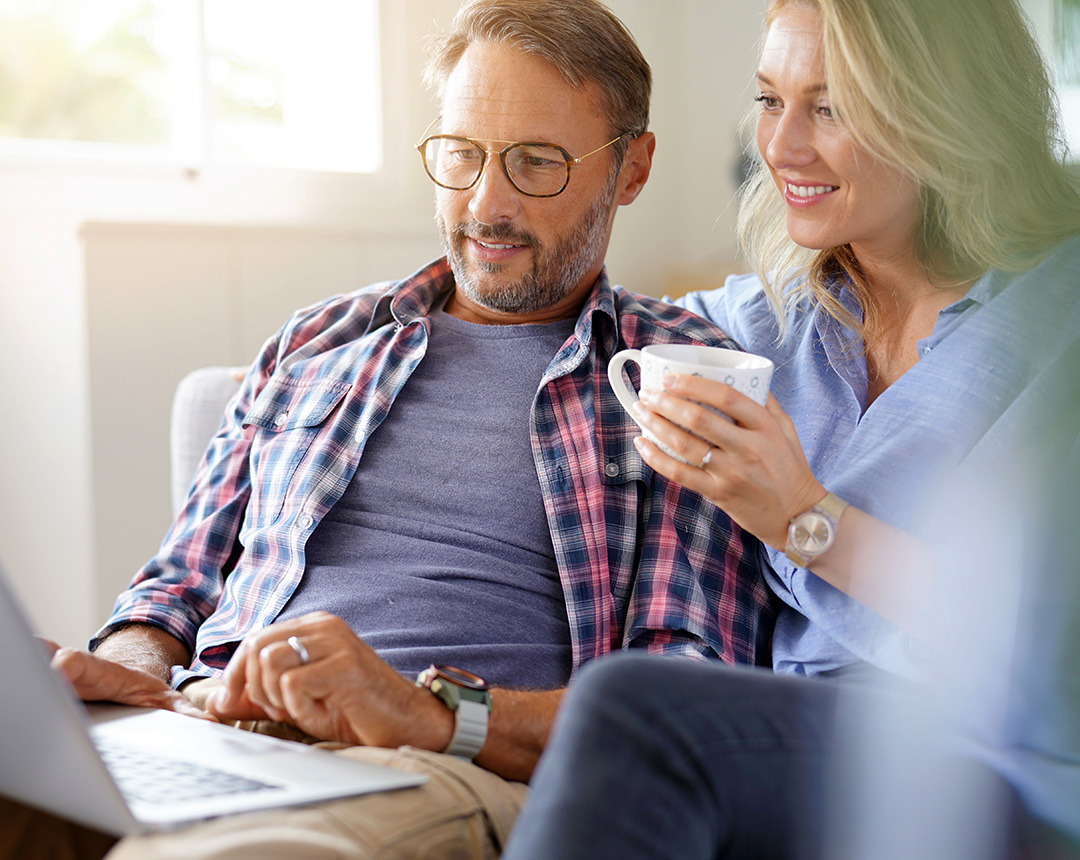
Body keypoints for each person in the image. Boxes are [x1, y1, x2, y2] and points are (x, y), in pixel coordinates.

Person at [0, 1, 777, 858]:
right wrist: (128, 679)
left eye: (537, 164)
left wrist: (434, 711)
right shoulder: (317, 342)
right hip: (210, 728)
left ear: (631, 168)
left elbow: (680, 703)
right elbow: (174, 588)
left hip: (438, 768)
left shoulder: (678, 371)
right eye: (462, 156)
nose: (488, 204)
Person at [501, 0, 1080, 857]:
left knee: (635, 707)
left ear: (946, 114)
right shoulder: (769, 322)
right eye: (771, 100)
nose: (781, 146)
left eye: (832, 106)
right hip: (795, 744)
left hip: (1005, 761)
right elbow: (577, 332)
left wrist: (803, 518)